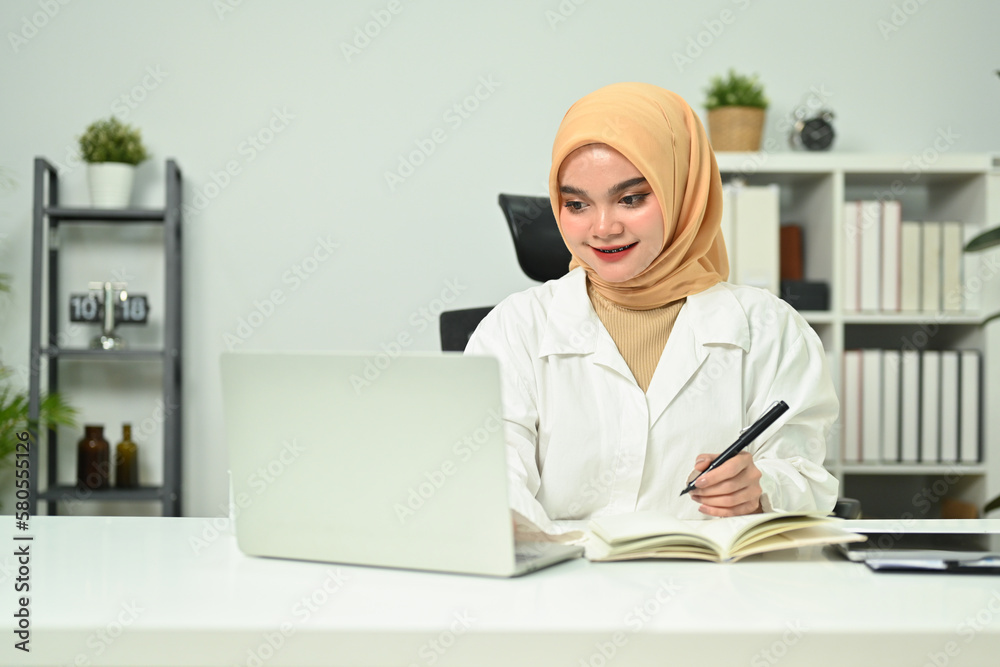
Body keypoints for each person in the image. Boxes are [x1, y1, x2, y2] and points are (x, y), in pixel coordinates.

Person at [465, 82, 839, 537]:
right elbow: (492, 475)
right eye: (577, 204)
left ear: (685, 193)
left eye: (631, 198)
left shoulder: (769, 328)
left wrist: (763, 489)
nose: (603, 227)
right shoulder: (514, 327)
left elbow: (808, 478)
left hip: (713, 589)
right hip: (564, 586)